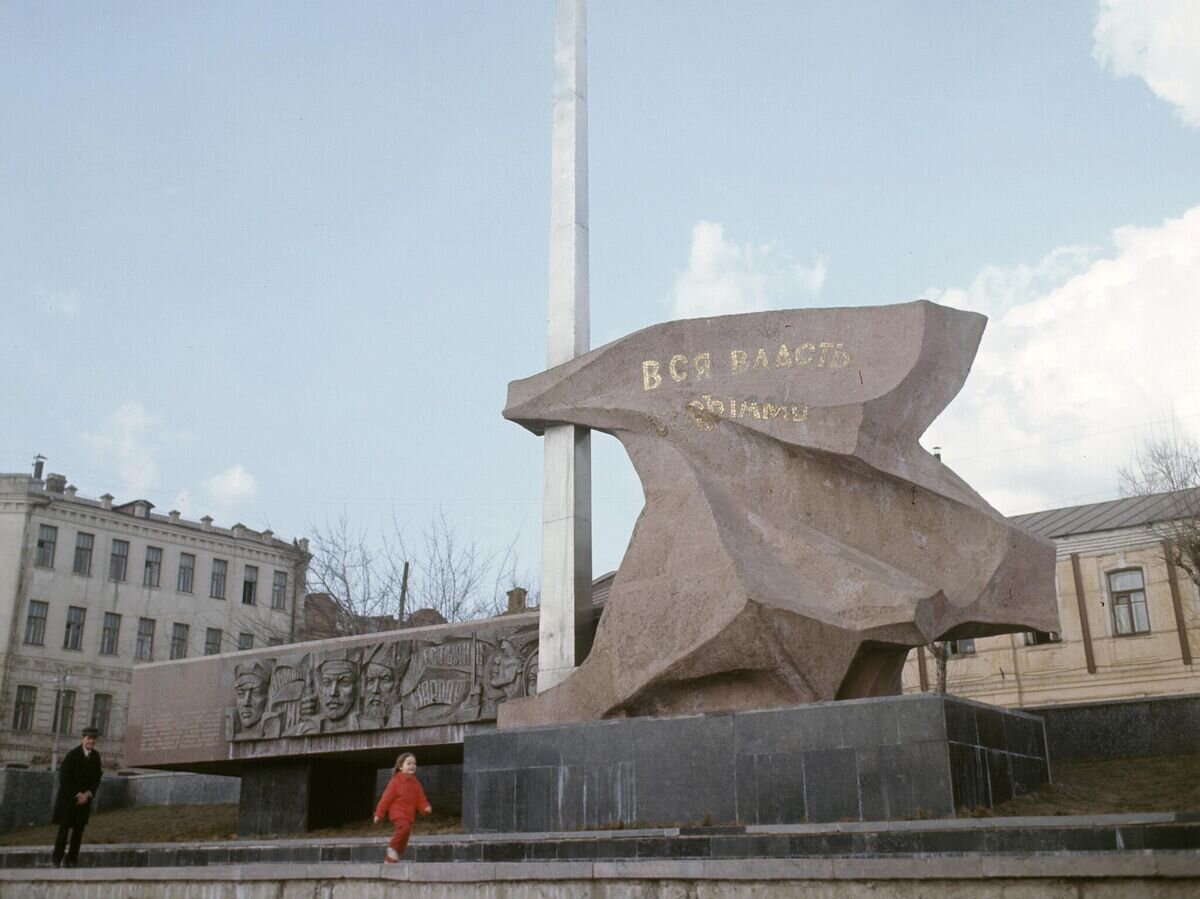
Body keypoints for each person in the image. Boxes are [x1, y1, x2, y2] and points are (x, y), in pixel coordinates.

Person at [52, 726, 103, 868]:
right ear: (82, 739)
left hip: (85, 800)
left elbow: (97, 778)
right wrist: (78, 794)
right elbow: (64, 778)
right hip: (68, 800)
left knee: (78, 831)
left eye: (93, 739)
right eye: (88, 738)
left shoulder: (96, 756)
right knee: (63, 830)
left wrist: (88, 794)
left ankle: (72, 860)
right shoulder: (72, 755)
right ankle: (57, 860)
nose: (91, 741)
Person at [373, 752, 432, 863]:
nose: (412, 766)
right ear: (400, 767)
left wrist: (425, 807)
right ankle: (392, 848)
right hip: (397, 812)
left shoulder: (416, 784)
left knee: (405, 836)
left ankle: (391, 859)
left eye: (414, 763)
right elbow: (386, 799)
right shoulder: (395, 782)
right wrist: (378, 814)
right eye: (408, 763)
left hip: (408, 814)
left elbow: (421, 799)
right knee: (404, 828)